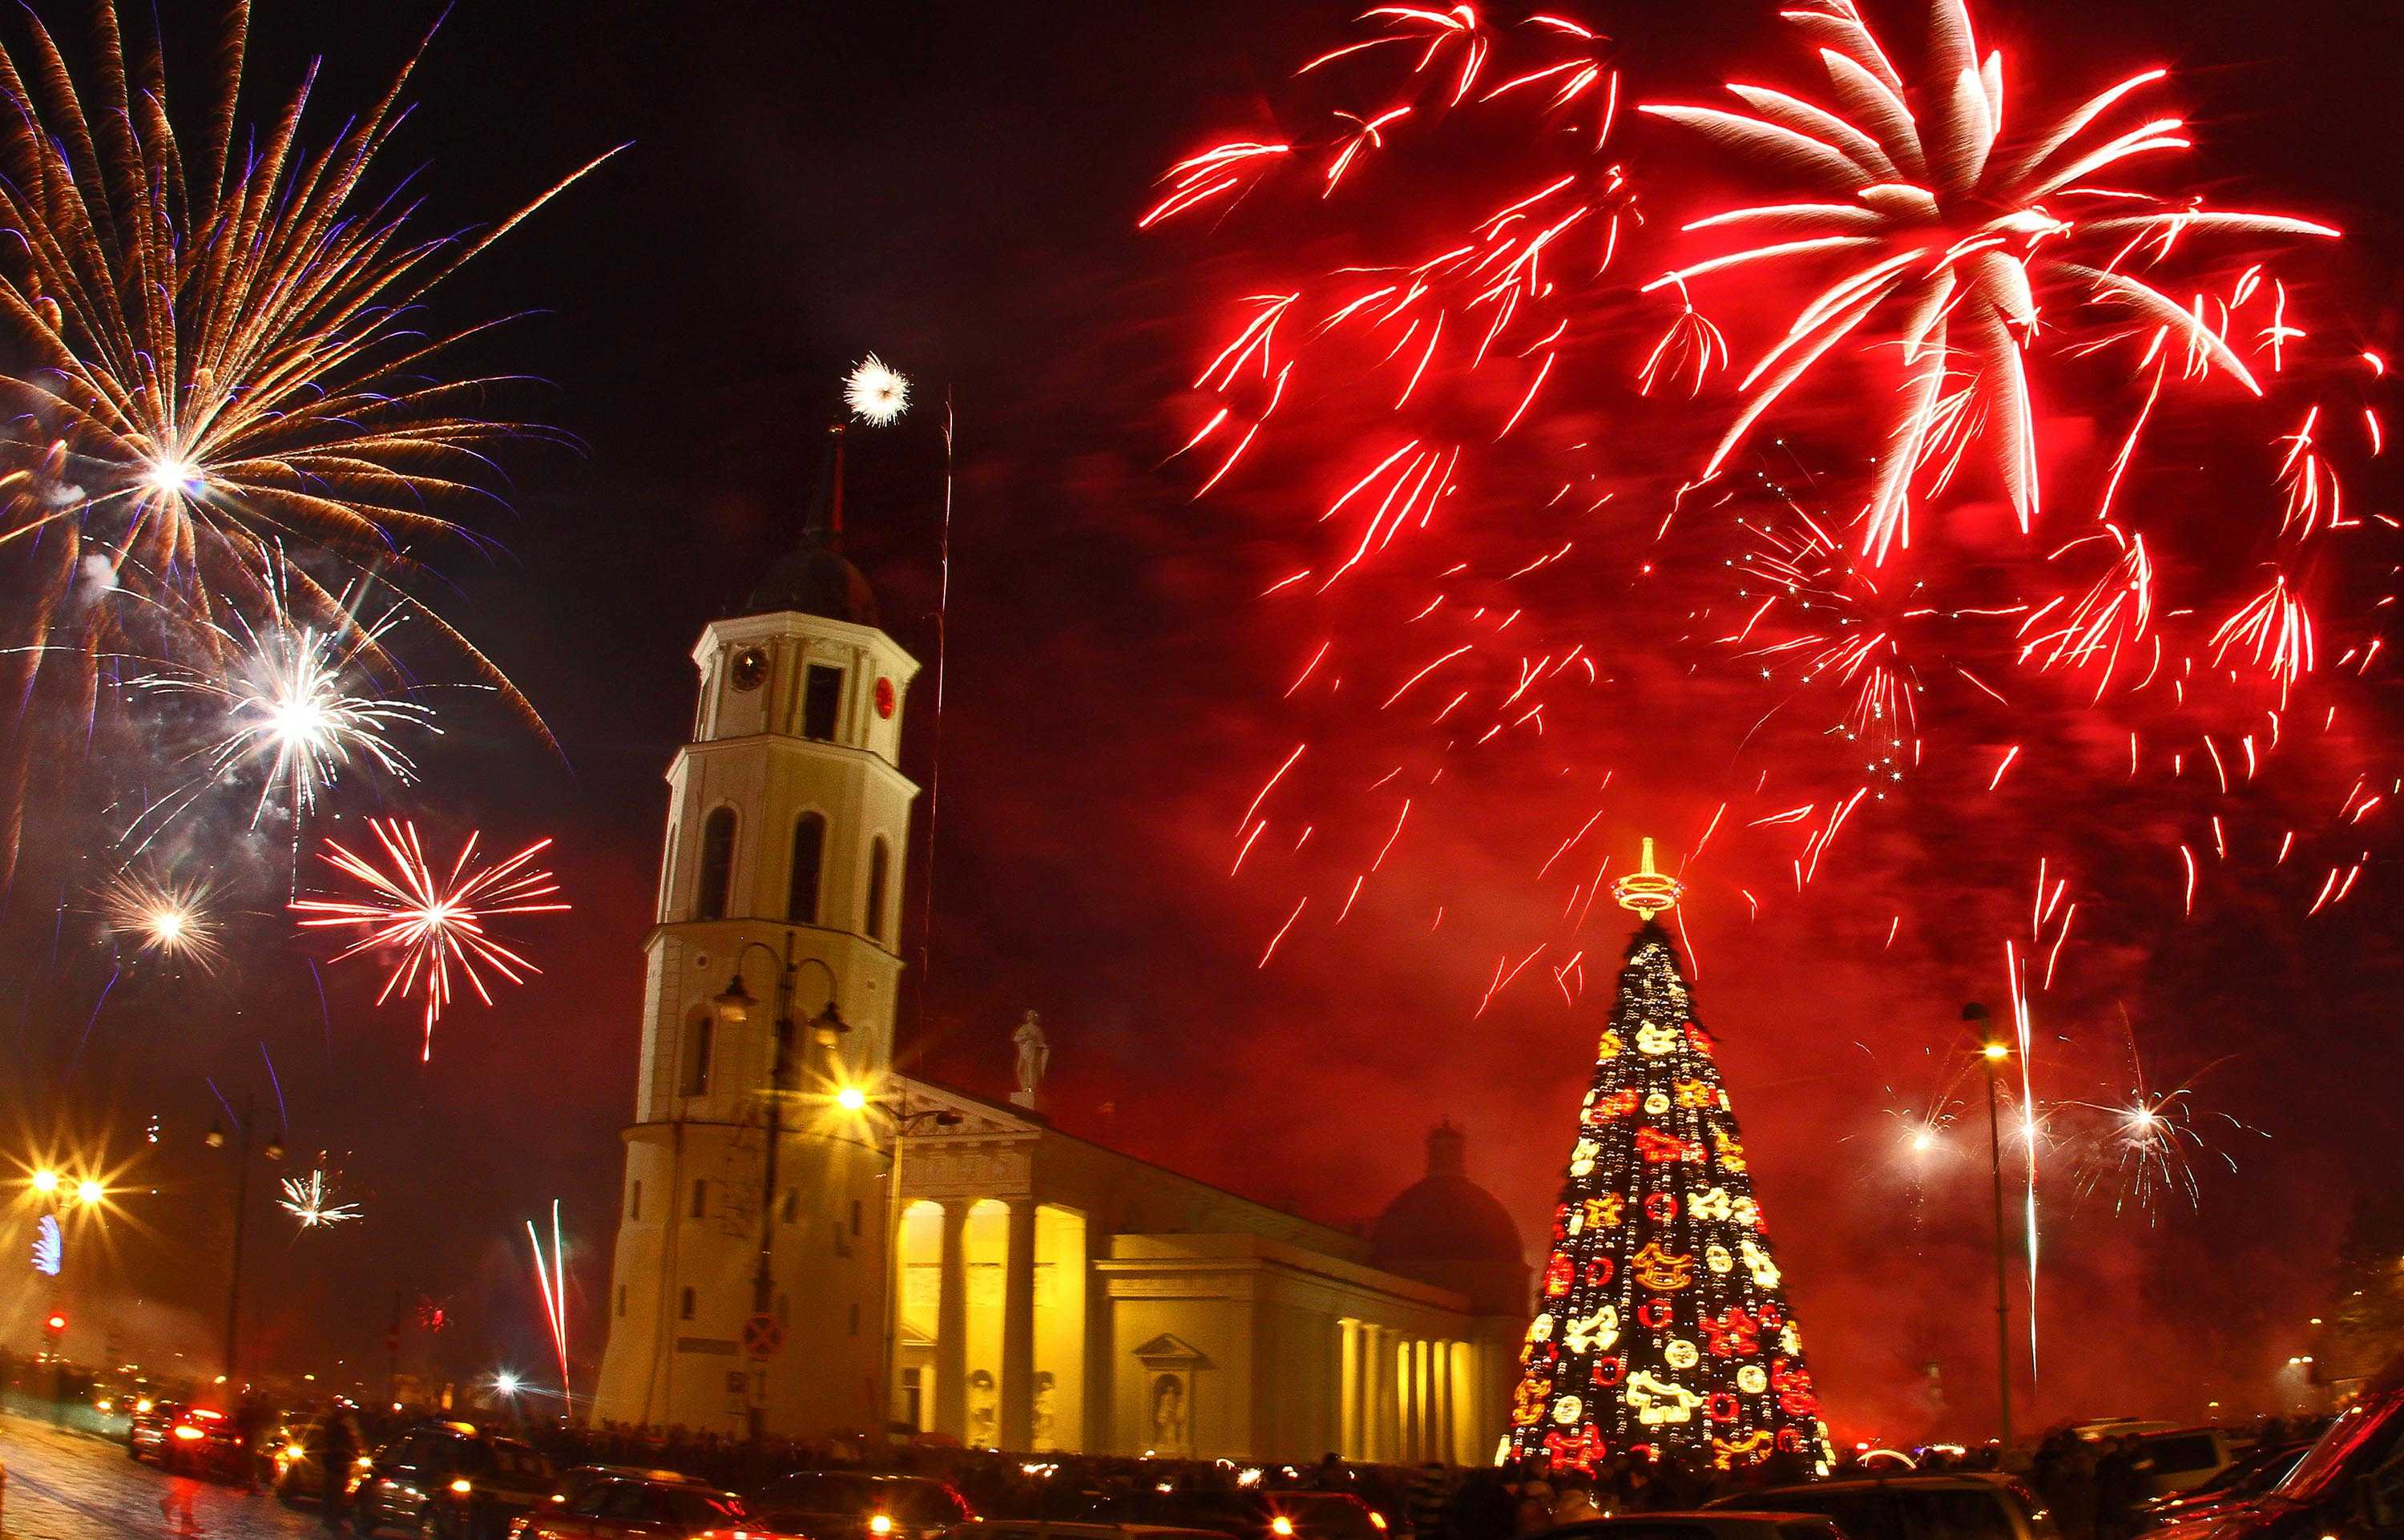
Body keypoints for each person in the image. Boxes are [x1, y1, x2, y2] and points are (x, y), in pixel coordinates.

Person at [320, 1412, 357, 1532]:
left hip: (335, 1467)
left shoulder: (332, 1432)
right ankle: (331, 1519)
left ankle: (329, 1518)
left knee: (331, 1495)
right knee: (334, 1495)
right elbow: (350, 1449)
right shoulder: (342, 1433)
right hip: (338, 1468)